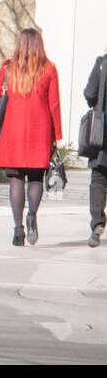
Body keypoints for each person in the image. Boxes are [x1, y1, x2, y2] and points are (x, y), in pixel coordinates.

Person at [0, 27, 61, 247]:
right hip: (40, 133)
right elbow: (54, 104)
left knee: (16, 180)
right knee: (36, 178)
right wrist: (56, 135)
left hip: (13, 134)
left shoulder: (9, 67)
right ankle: (32, 216)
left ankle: (18, 229)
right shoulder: (48, 68)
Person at [83, 52, 107, 247]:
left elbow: (90, 93)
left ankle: (97, 223)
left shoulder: (102, 63)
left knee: (98, 179)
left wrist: (98, 104)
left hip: (103, 131)